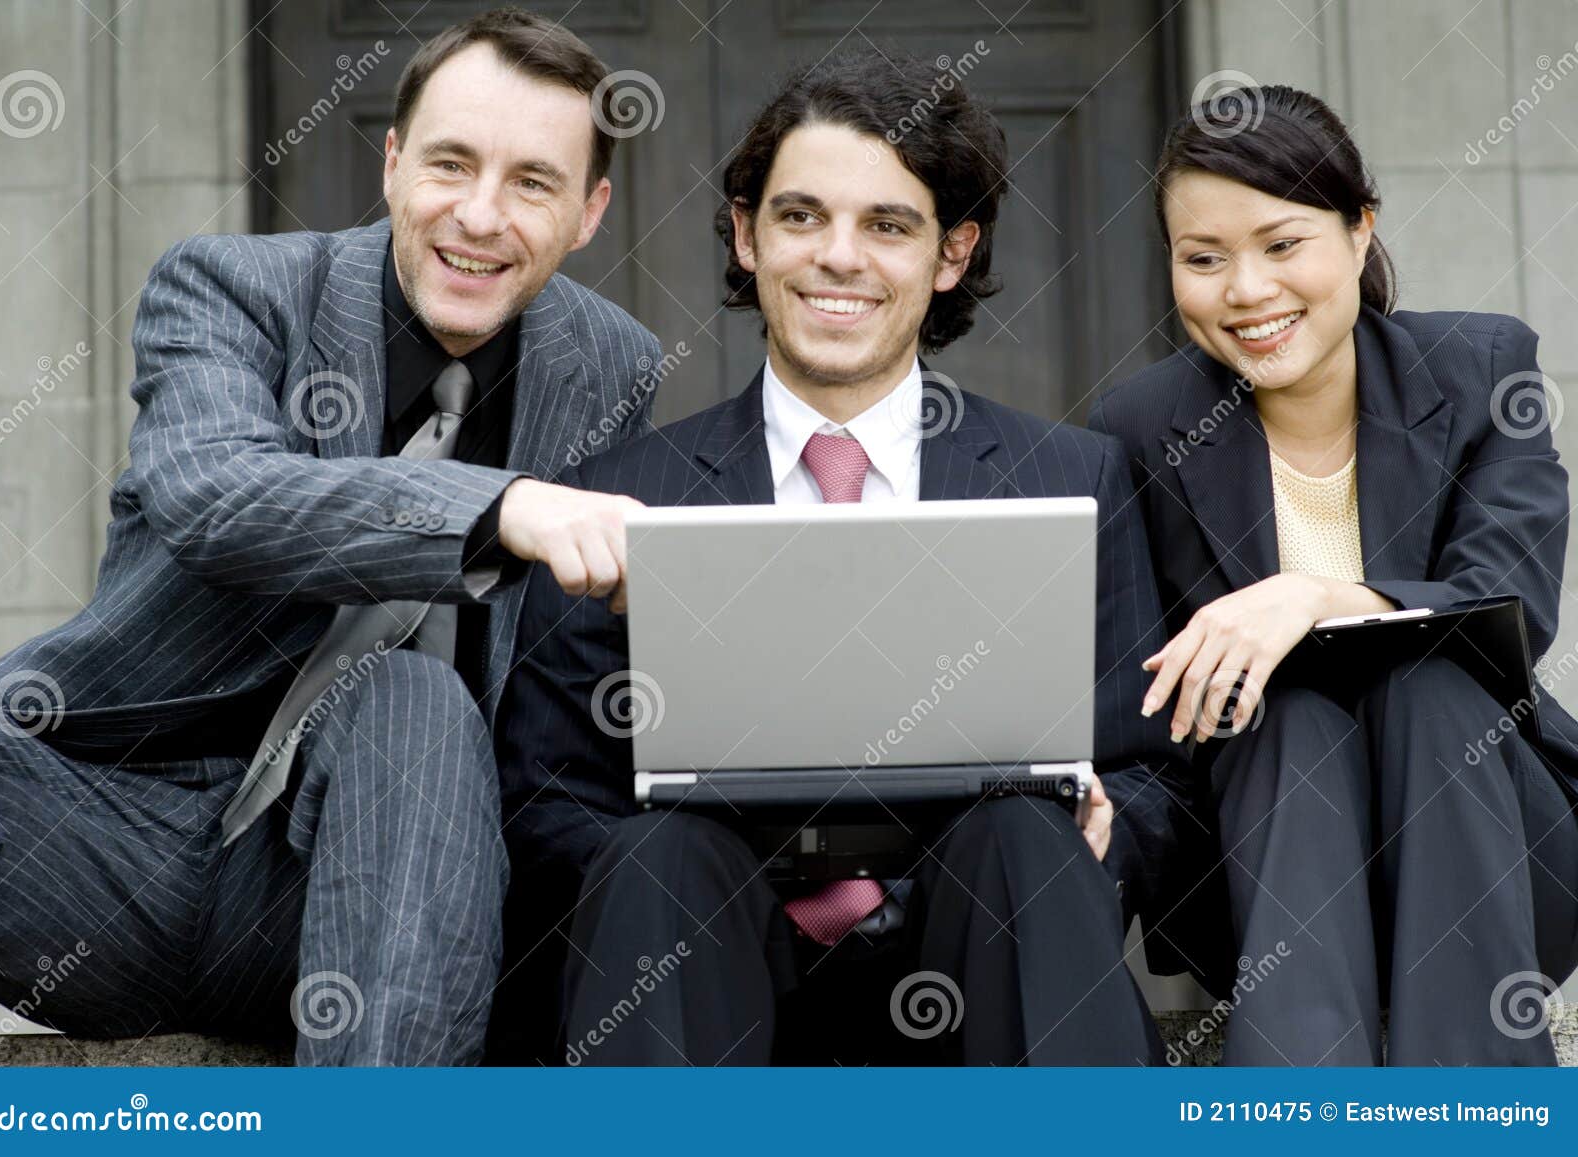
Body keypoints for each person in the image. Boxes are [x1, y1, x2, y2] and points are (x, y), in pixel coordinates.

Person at [0, 6, 654, 1065]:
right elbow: (217, 497)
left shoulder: (608, 366)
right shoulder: (233, 288)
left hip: (361, 883)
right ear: (390, 164)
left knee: (418, 702)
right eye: (449, 164)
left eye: (532, 181)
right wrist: (498, 507)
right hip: (99, 833)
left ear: (588, 211)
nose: (480, 215)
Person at [499, 49, 1197, 1066]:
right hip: (701, 966)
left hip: (983, 953)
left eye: (887, 224)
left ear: (951, 252)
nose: (839, 256)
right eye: (799, 216)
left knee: (1025, 839)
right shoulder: (617, 495)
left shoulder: (1074, 477)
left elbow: (1155, 779)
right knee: (654, 855)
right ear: (744, 235)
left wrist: (1102, 825)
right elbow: (545, 793)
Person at [1091, 84, 1578, 1065]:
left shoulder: (1482, 368)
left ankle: (1468, 1106)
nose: (1247, 290)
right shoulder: (1138, 429)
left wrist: (1311, 596)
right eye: (1203, 258)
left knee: (1434, 680)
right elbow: (1135, 701)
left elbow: (1510, 605)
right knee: (1285, 709)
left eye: (1281, 245)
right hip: (1258, 863)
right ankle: (1307, 1104)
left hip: (1494, 837)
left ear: (1359, 232)